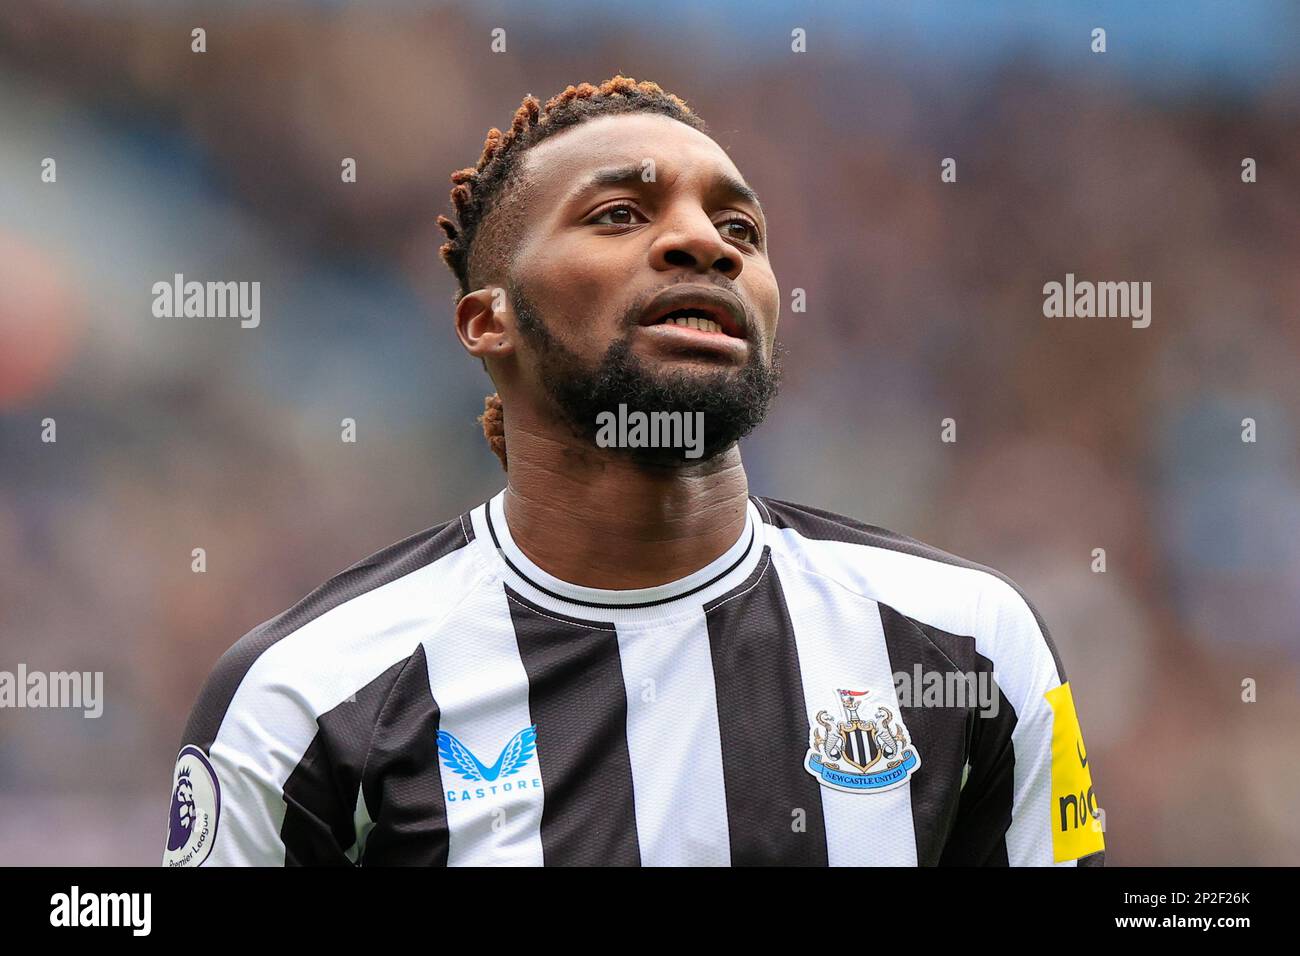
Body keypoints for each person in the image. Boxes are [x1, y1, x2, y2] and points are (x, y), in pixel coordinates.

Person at [162, 76, 1104, 866]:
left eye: (741, 226)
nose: (707, 243)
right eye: (619, 214)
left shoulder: (969, 644)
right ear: (487, 321)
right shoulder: (308, 696)